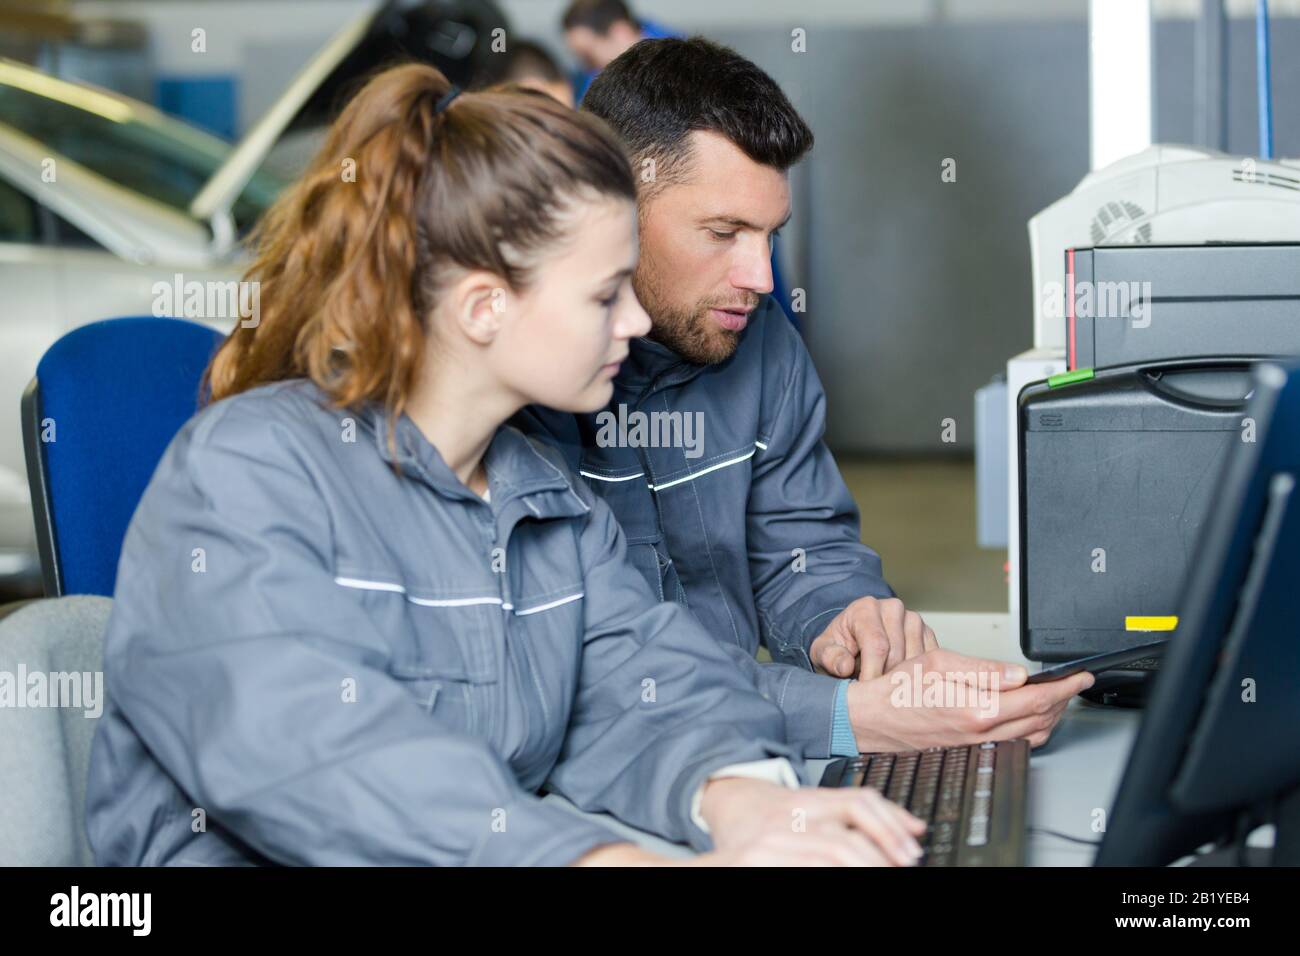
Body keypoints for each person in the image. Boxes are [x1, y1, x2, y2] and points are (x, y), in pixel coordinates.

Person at [84, 64, 927, 867]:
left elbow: (648, 686)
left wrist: (750, 799)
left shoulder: (539, 494)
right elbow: (327, 762)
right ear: (484, 306)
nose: (634, 323)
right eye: (605, 294)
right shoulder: (245, 474)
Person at [516, 38, 1094, 760]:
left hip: (740, 762)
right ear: (613, 208)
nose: (761, 277)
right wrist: (847, 718)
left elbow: (802, 543)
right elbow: (598, 677)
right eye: (724, 232)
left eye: (769, 235)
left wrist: (844, 621)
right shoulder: (524, 388)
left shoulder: (762, 347)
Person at [561, 0, 676, 102]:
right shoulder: (587, 77)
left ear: (620, 33)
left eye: (587, 55)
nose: (586, 67)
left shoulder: (680, 63)